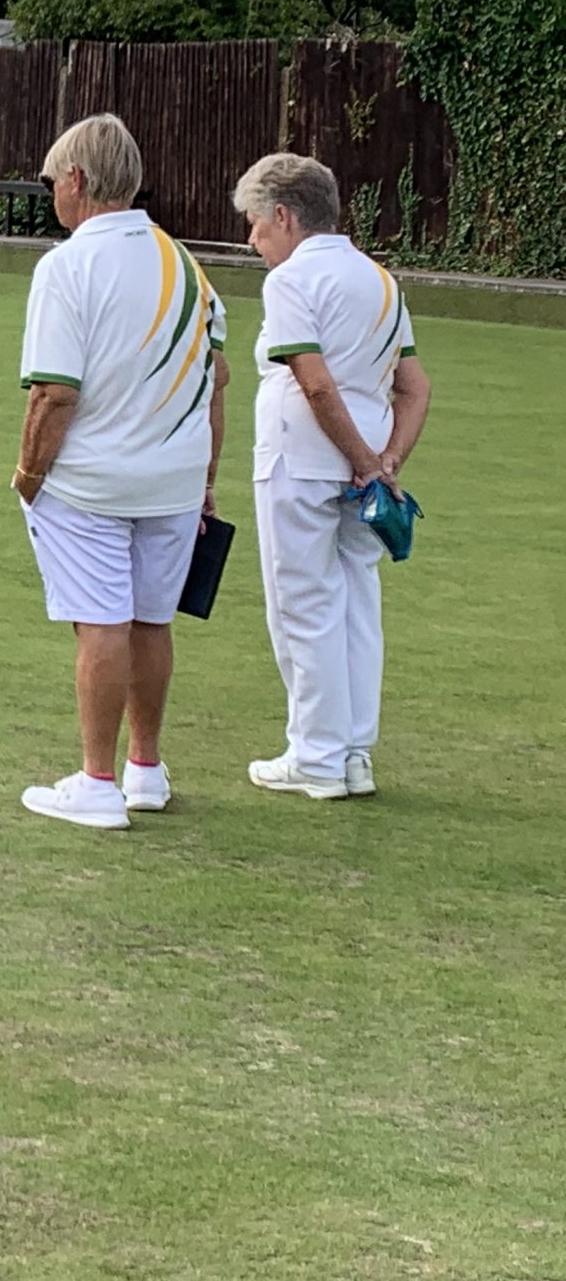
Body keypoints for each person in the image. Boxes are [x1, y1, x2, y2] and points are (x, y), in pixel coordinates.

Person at [11, 113, 229, 831]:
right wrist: (203, 481)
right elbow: (215, 381)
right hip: (173, 478)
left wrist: (27, 476)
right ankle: (146, 769)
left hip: (93, 483)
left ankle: (99, 782)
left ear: (76, 180)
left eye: (52, 183)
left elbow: (53, 392)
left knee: (100, 624)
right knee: (150, 621)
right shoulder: (189, 267)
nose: (51, 196)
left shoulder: (67, 265)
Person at [233, 154, 433, 801]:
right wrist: (387, 460)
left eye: (257, 225)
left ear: (284, 217)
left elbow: (313, 382)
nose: (252, 240)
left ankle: (315, 754)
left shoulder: (293, 281)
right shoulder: (379, 280)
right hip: (365, 464)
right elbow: (413, 387)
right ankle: (351, 753)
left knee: (303, 602)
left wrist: (364, 459)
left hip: (304, 458)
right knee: (354, 602)